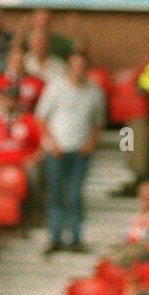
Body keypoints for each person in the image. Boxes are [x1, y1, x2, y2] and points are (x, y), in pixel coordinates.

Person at [35, 51, 104, 255]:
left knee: (74, 195)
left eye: (82, 66)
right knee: (56, 194)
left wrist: (91, 143)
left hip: (80, 151)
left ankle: (75, 237)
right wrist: (52, 143)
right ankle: (54, 237)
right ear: (68, 68)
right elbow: (41, 118)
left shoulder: (95, 92)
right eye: (75, 66)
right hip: (56, 150)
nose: (78, 71)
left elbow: (98, 122)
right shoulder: (55, 88)